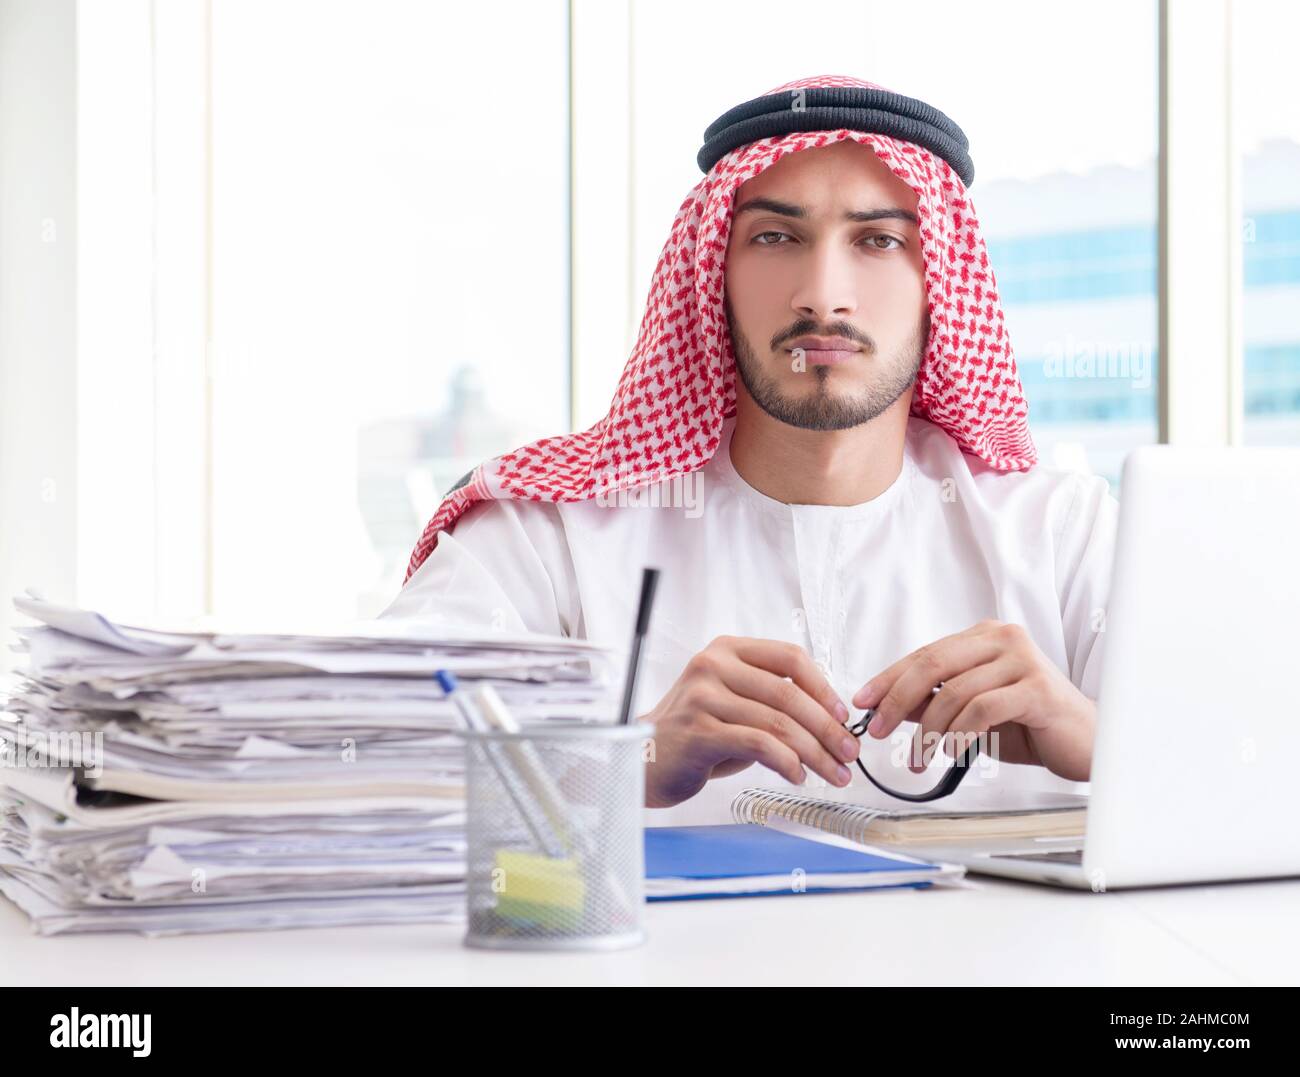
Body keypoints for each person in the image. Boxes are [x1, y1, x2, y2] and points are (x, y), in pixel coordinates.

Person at [381, 75, 1119, 826]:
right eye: (775, 236)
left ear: (941, 283)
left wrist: (1097, 742)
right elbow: (343, 763)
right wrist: (620, 757)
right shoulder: (552, 536)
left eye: (879, 240)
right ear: (713, 276)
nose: (823, 295)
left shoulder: (1061, 538)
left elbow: (1234, 773)